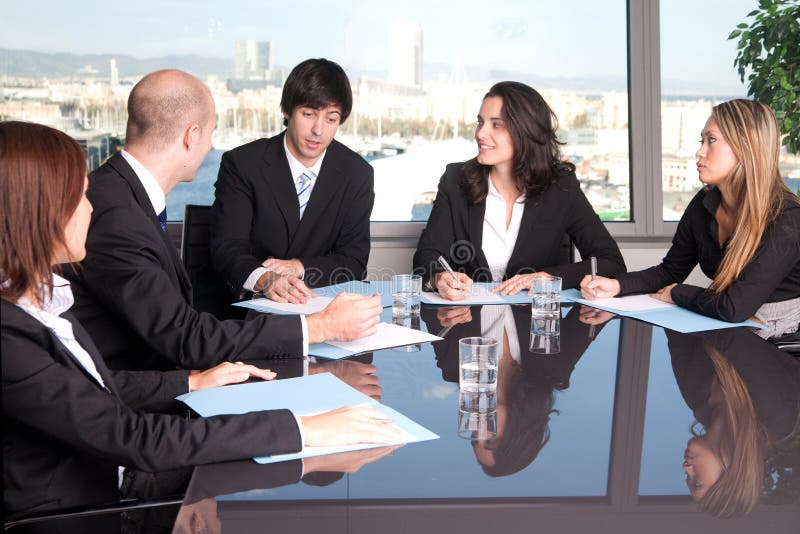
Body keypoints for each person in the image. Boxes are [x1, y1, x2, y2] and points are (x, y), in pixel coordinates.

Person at [0, 121, 405, 518]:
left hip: (112, 472)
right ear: (38, 211)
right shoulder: (10, 334)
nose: (91, 206)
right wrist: (304, 429)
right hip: (90, 506)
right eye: (80, 195)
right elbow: (134, 437)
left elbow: (96, 387)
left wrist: (191, 381)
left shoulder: (40, 304)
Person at [62, 69, 381, 372]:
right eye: (212, 132)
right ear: (192, 136)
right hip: (138, 384)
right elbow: (183, 336)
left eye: (331, 118)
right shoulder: (119, 216)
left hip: (167, 365)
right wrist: (320, 327)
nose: (211, 145)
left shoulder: (116, 195)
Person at [581, 100, 800, 335]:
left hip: (776, 331)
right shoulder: (705, 202)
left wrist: (677, 293)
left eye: (711, 140)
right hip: (727, 321)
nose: (699, 152)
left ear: (746, 147)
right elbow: (671, 271)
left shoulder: (786, 219)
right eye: (701, 141)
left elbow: (734, 307)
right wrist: (616, 285)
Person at [413, 81, 625, 301]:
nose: (480, 133)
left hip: (536, 318)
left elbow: (611, 262)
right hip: (468, 317)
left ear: (526, 131)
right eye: (480, 122)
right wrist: (439, 278)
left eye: (496, 125)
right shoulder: (455, 179)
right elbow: (427, 256)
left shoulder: (561, 186)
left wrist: (549, 278)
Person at [210, 58, 373, 303]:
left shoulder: (357, 173)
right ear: (287, 110)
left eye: (331, 119)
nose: (318, 130)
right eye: (308, 114)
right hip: (249, 308)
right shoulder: (243, 164)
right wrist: (265, 279)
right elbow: (227, 247)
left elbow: (354, 261)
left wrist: (299, 267)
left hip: (318, 304)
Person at [667, 328, 800, 517]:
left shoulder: (697, 399)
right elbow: (734, 337)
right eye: (697, 481)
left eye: (686, 477)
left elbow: (674, 330)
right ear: (731, 476)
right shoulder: (775, 419)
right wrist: (692, 316)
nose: (686, 468)